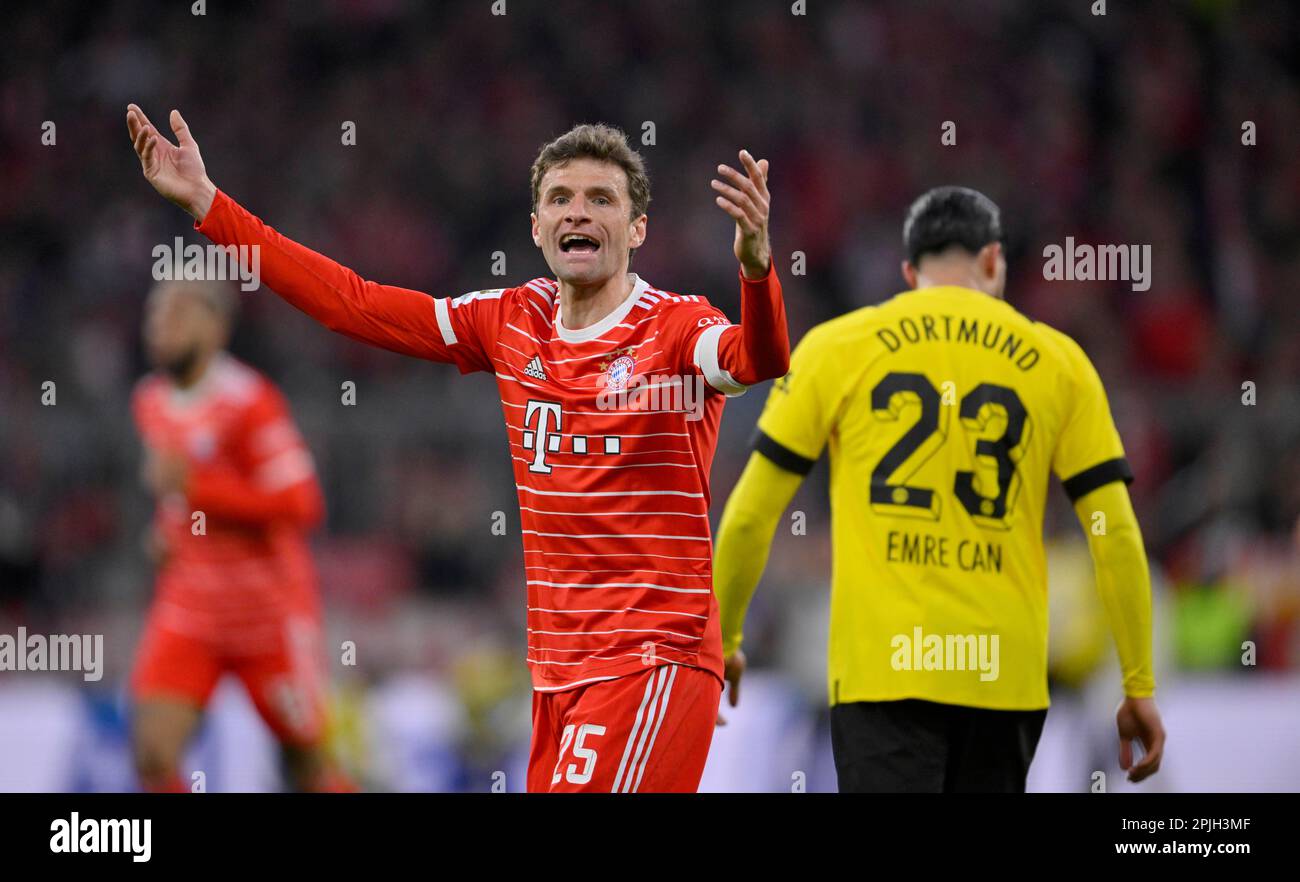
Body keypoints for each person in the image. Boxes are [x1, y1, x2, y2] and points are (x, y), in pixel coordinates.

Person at [125, 106, 789, 792]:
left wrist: (756, 267)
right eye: (559, 198)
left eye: (601, 200)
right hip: (559, 672)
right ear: (536, 226)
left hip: (653, 655)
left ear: (637, 228)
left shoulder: (676, 327)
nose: (577, 213)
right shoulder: (510, 320)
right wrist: (210, 204)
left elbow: (756, 358)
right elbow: (352, 303)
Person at [713, 186, 1165, 792]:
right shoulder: (1061, 364)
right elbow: (1115, 537)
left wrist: (727, 640)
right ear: (991, 261)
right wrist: (1137, 683)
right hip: (1003, 682)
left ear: (908, 271)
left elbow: (749, 516)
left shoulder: (836, 349)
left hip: (882, 675)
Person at [132, 278, 350, 792]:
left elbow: (302, 503)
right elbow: (177, 500)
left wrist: (198, 490)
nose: (162, 329)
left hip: (265, 614)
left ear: (215, 328)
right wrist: (165, 533)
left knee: (306, 764)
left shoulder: (251, 403)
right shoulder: (150, 401)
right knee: (153, 754)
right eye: (156, 317)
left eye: (178, 316)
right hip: (188, 610)